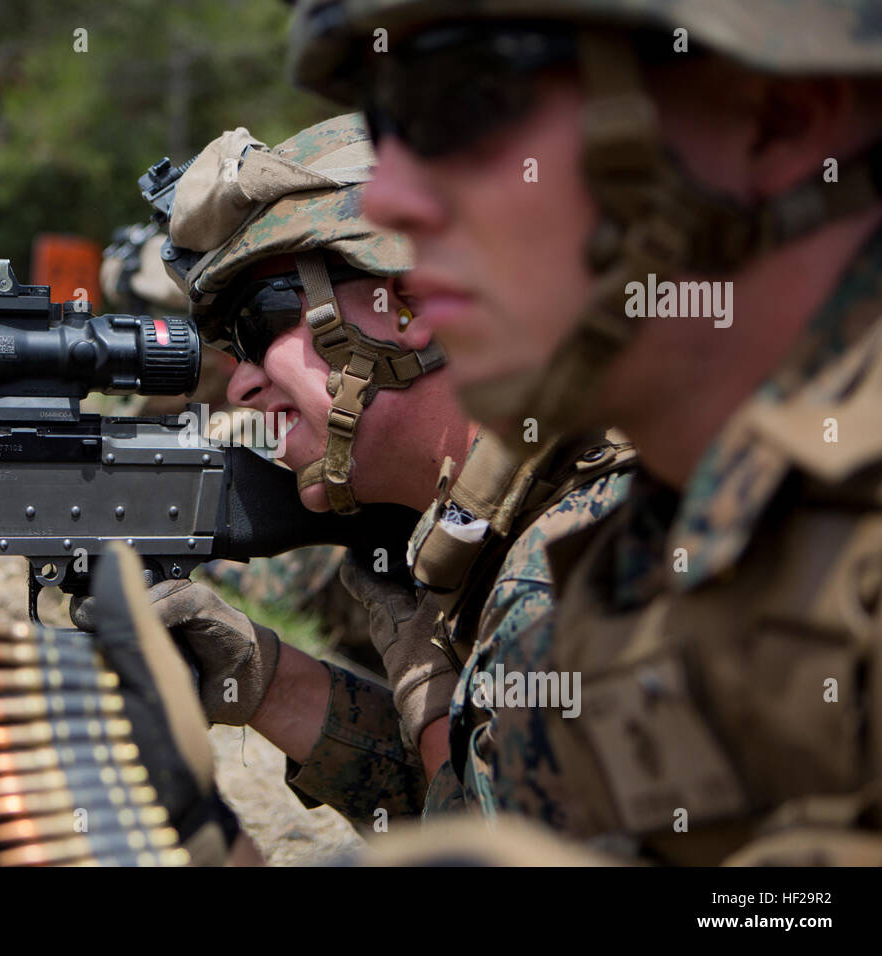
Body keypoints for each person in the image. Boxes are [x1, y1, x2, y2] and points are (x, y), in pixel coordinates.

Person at [288, 0, 882, 862]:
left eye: (461, 101)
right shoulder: (670, 547)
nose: (389, 198)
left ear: (776, 120)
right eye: (386, 121)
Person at [73, 113, 634, 829]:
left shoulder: (569, 576)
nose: (240, 384)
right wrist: (268, 683)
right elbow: (477, 805)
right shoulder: (520, 516)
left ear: (410, 302)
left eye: (257, 327)